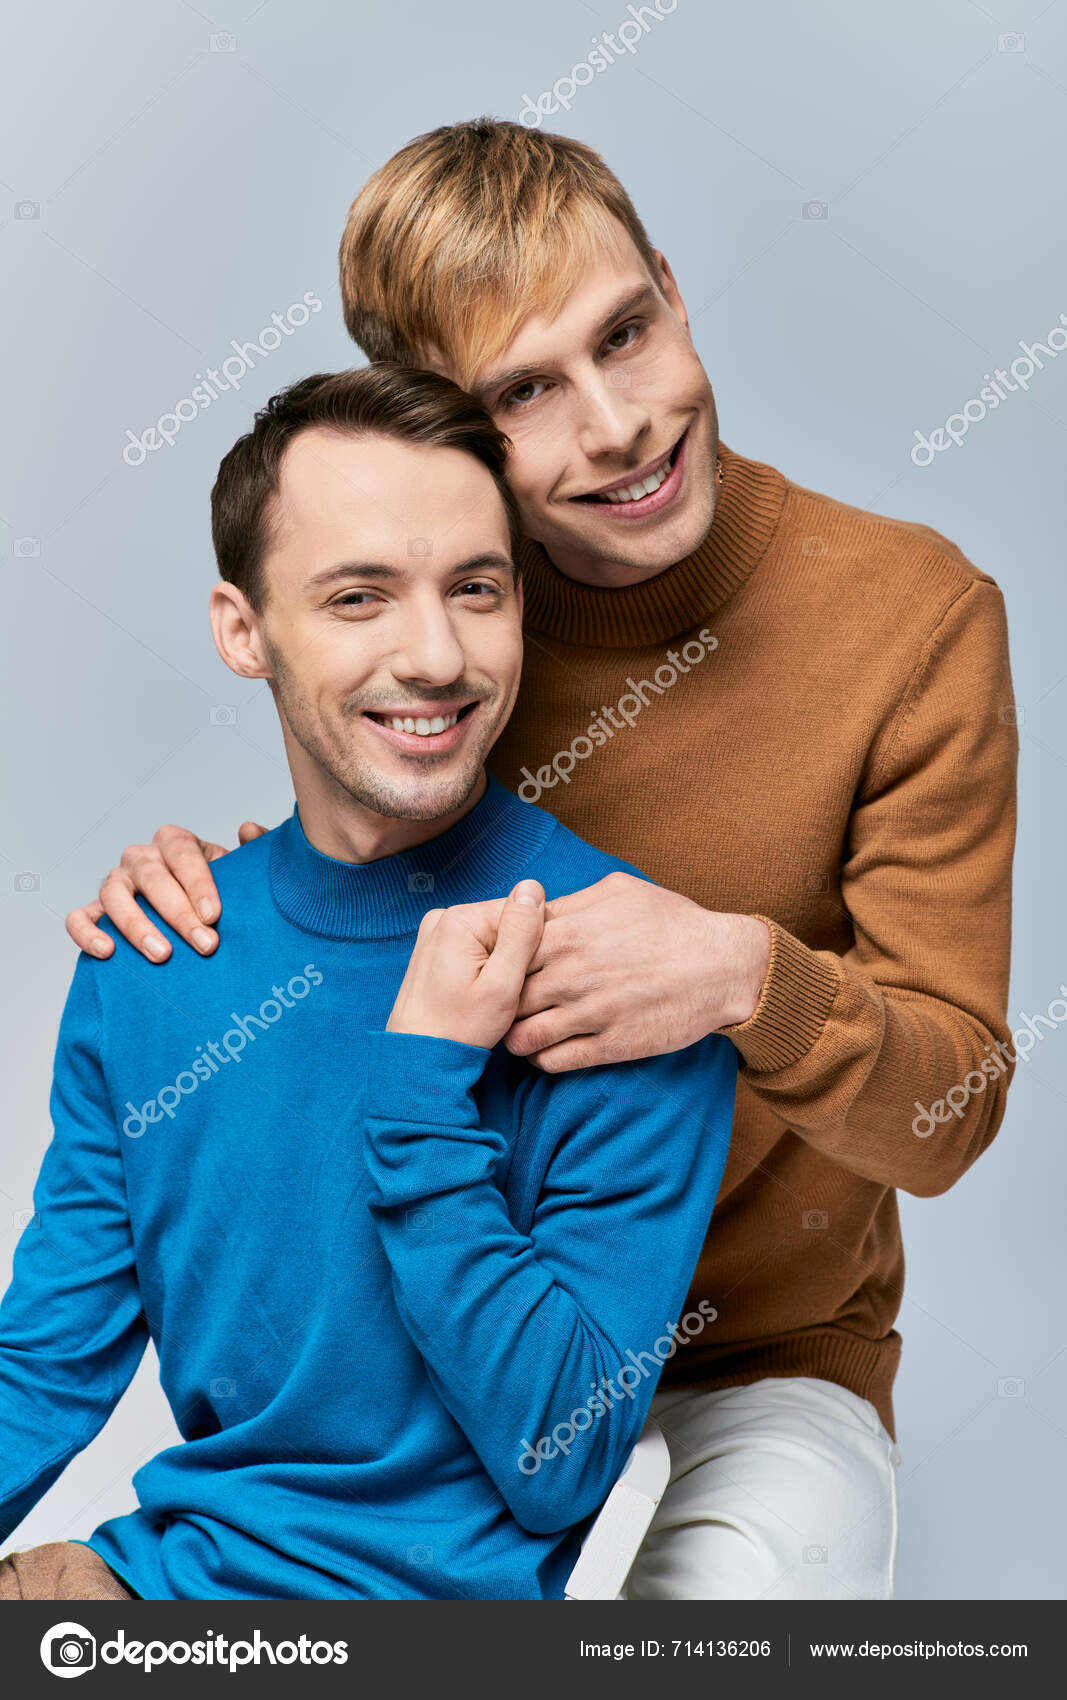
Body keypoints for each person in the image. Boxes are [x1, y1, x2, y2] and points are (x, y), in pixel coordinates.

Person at [65, 120, 1018, 1601]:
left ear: (672, 289)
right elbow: (360, 856)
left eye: (624, 333)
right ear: (438, 432)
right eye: (523, 390)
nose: (618, 423)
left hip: (746, 1363)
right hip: (428, 1364)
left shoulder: (911, 619)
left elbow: (949, 1108)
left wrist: (736, 977)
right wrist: (220, 891)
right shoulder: (448, 641)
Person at [0, 365, 736, 1601]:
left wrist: (421, 1094)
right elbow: (42, 1362)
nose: (436, 655)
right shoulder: (158, 954)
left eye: (475, 589)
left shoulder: (629, 973)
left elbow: (558, 1460)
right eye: (359, 597)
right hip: (149, 1584)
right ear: (244, 631)